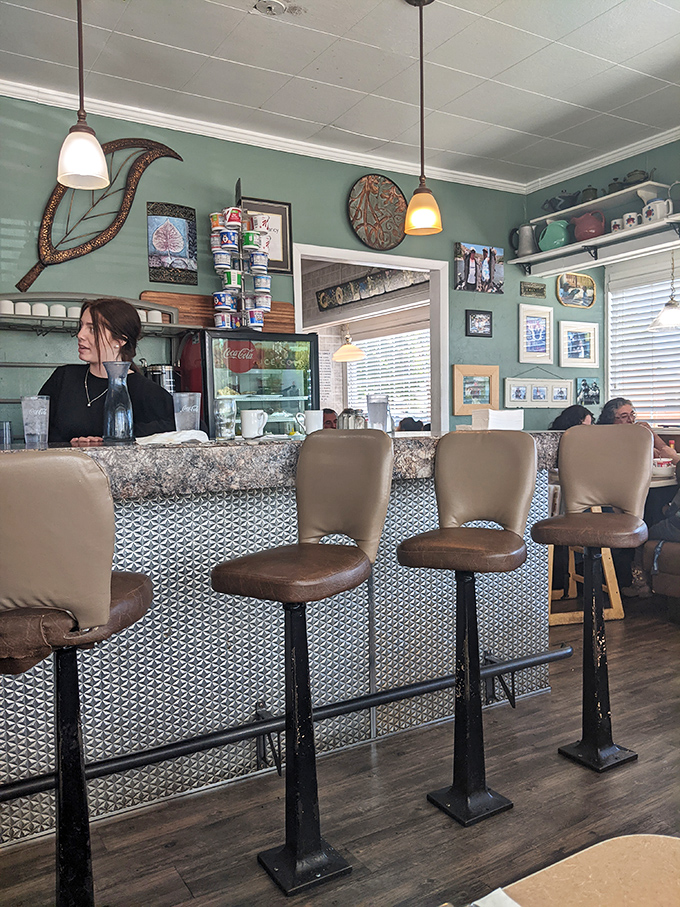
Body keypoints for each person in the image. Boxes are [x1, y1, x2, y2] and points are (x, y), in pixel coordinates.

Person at [39, 298, 175, 445]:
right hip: (65, 467)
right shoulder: (63, 377)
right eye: (81, 326)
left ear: (120, 340)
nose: (80, 335)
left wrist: (118, 438)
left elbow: (193, 428)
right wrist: (71, 445)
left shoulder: (144, 390)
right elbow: (39, 432)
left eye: (92, 329)